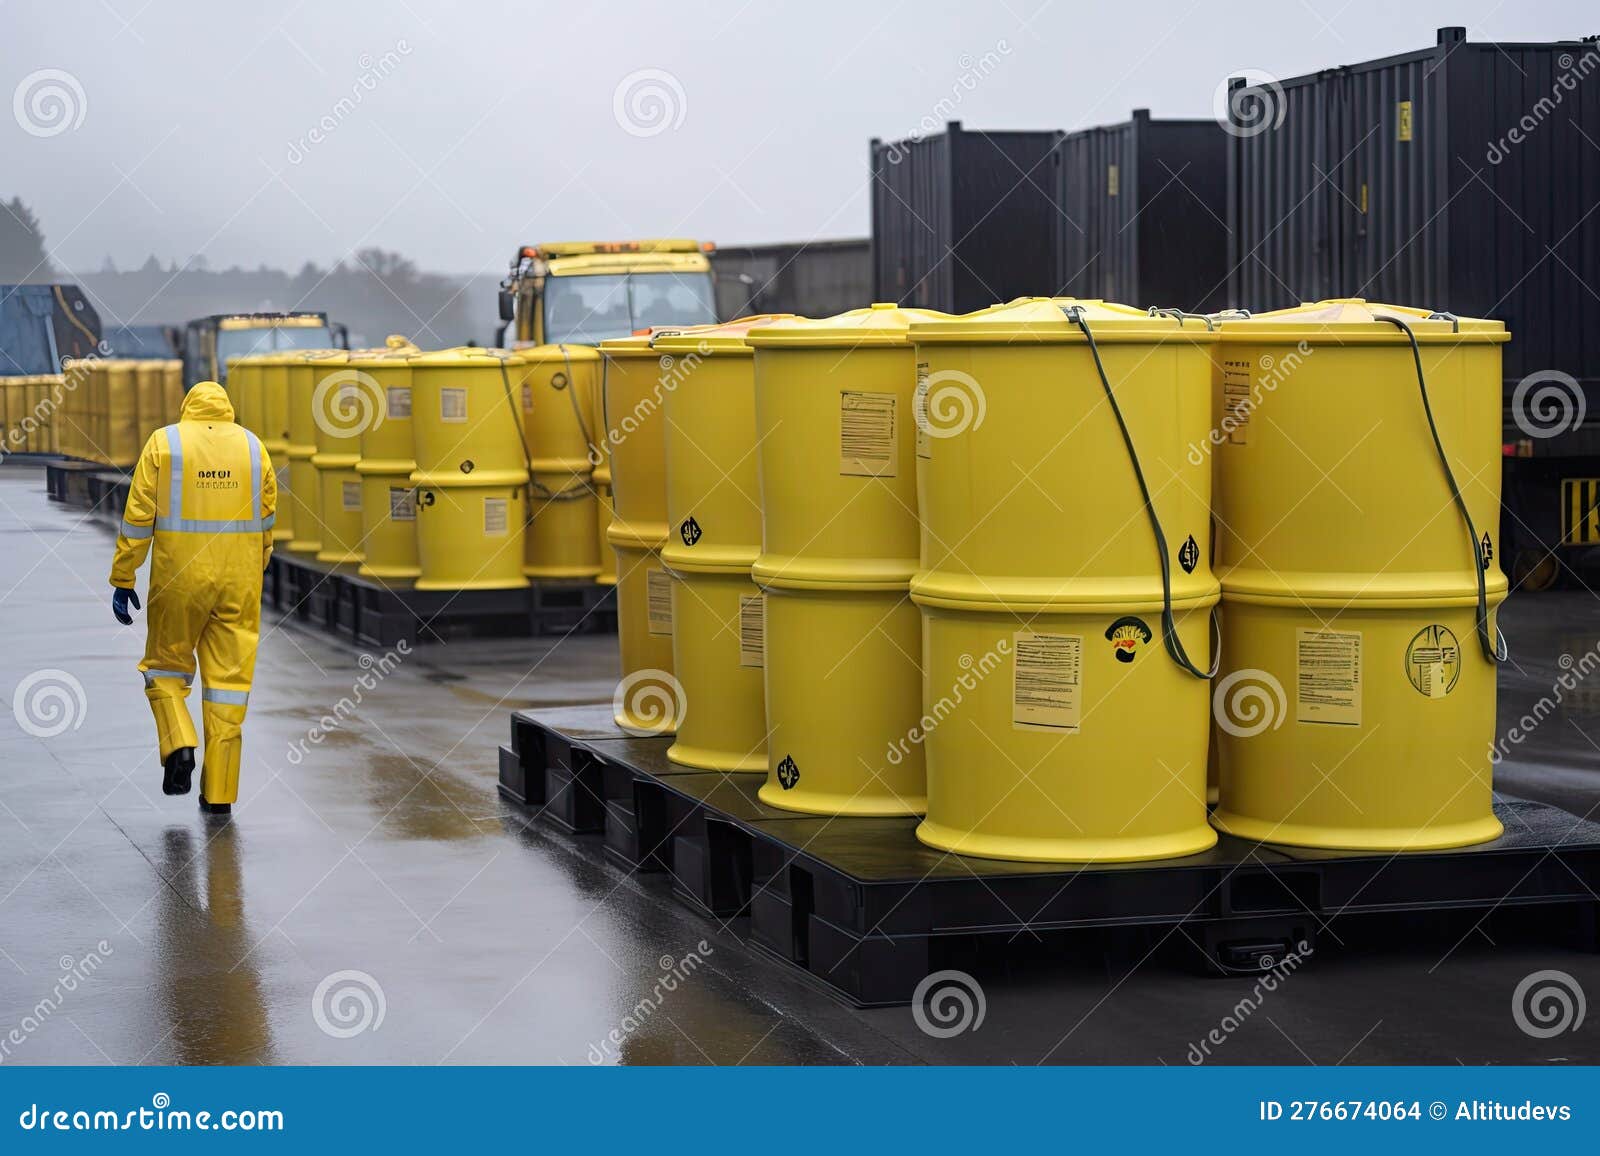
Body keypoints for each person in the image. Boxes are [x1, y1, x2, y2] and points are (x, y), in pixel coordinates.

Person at [109, 380, 275, 815]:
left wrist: (124, 576)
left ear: (188, 408)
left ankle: (179, 742)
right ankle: (218, 795)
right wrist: (255, 568)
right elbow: (268, 516)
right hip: (240, 583)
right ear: (226, 409)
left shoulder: (165, 442)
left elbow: (138, 515)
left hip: (179, 580)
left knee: (164, 668)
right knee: (228, 690)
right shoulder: (253, 447)